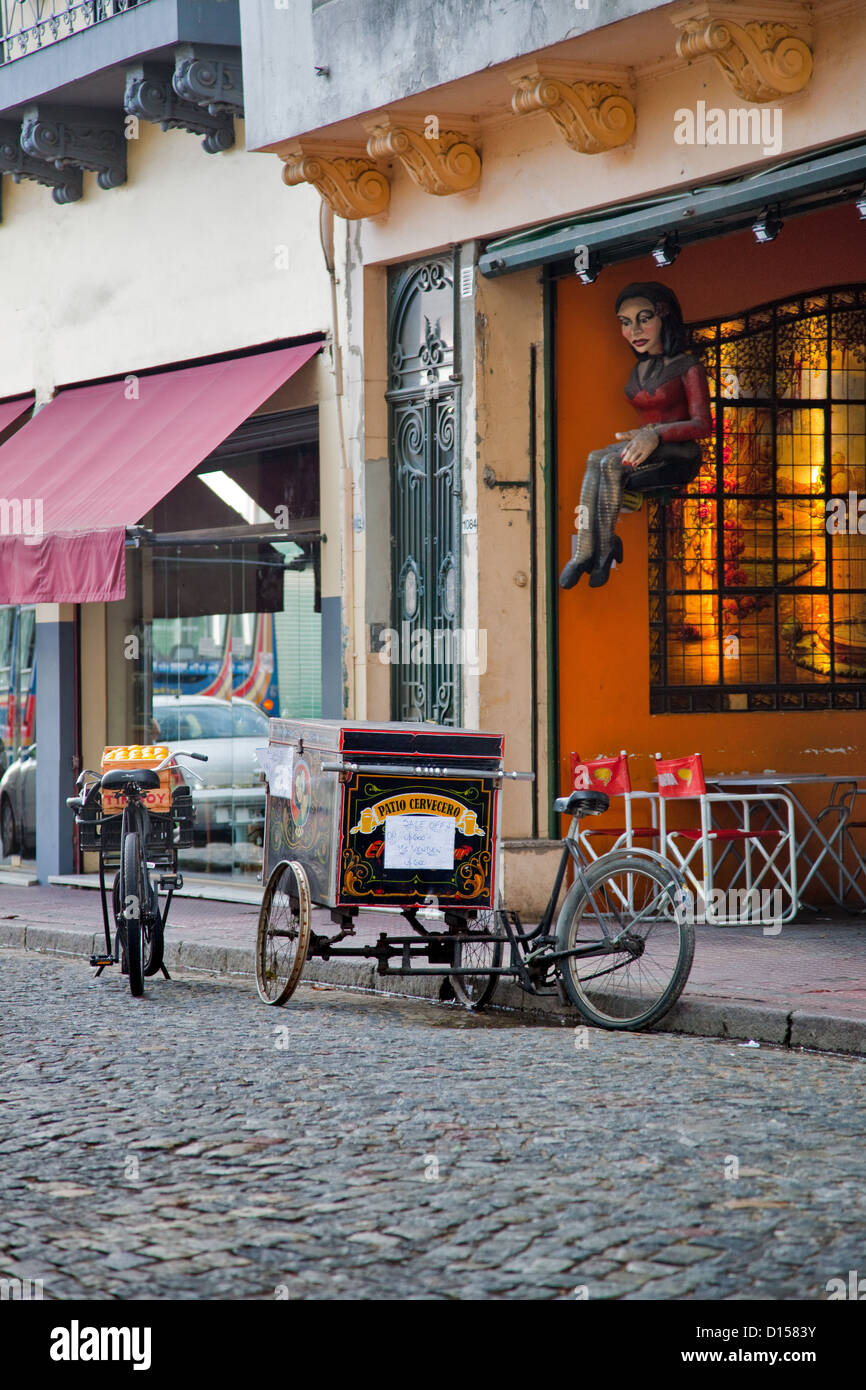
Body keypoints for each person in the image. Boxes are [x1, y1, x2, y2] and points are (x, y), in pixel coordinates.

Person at [560, 281, 712, 589]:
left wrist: (655, 433)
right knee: (595, 458)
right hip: (647, 447)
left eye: (644, 319)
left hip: (679, 454)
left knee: (611, 464)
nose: (635, 331)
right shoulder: (638, 370)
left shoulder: (687, 366)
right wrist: (643, 435)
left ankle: (602, 551)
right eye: (626, 323)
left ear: (664, 318)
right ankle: (586, 550)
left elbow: (702, 424)